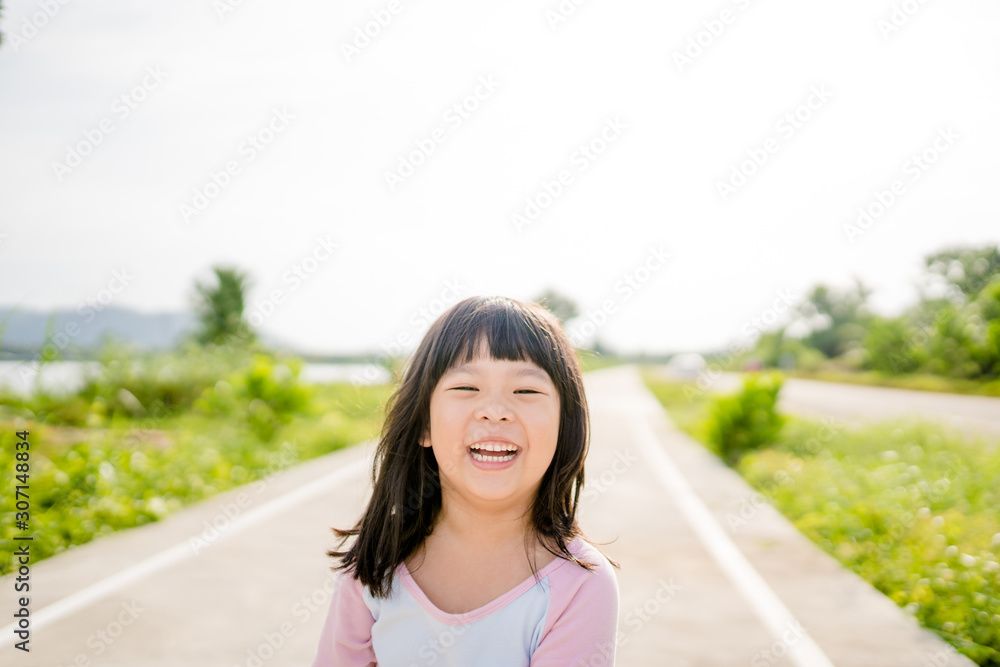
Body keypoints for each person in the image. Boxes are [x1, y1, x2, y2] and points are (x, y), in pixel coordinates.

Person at [311, 295, 621, 666]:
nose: (495, 411)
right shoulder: (376, 560)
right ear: (424, 423)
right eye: (466, 388)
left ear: (564, 426)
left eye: (526, 391)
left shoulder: (581, 584)